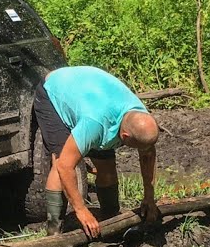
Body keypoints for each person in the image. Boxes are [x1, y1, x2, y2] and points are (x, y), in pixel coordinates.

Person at [35, 65, 161, 236]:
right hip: (55, 92)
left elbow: (148, 155)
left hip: (92, 96)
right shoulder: (94, 124)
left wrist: (149, 197)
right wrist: (81, 210)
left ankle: (110, 220)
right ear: (124, 136)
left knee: (107, 168)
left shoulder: (141, 118)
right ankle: (54, 233)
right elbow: (65, 166)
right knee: (60, 161)